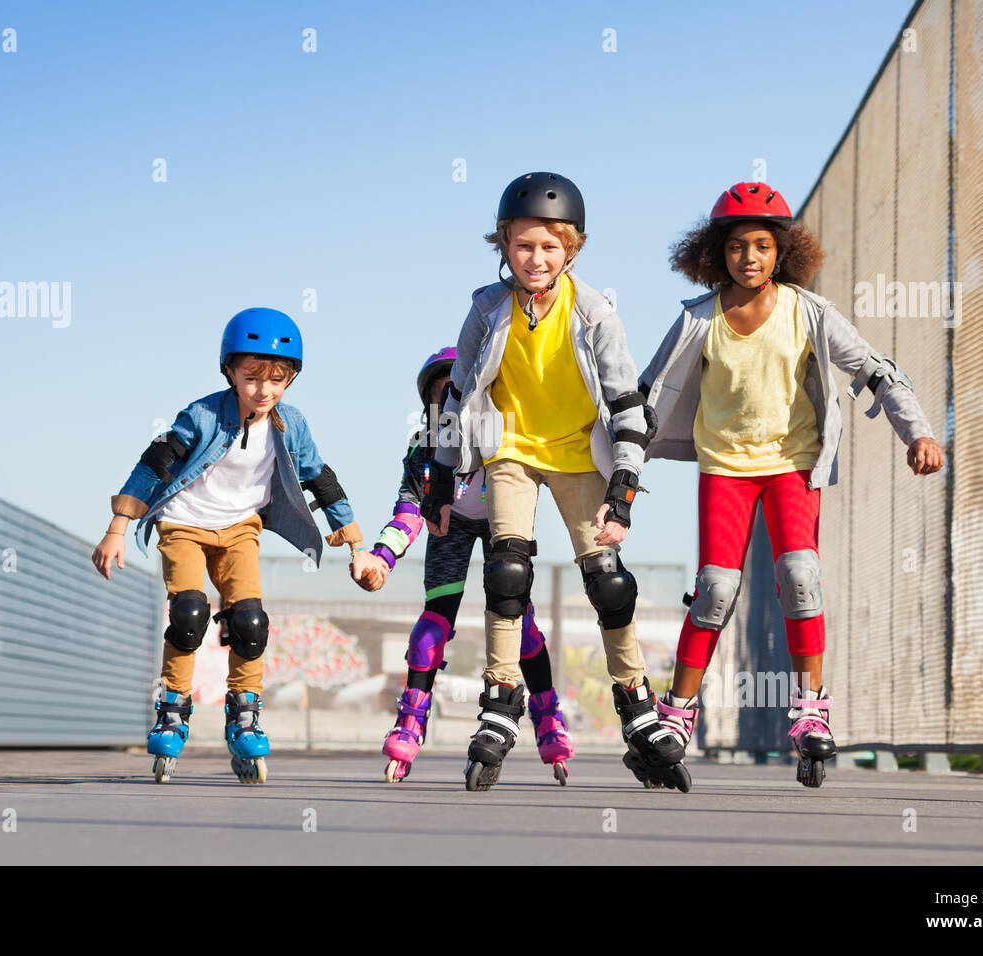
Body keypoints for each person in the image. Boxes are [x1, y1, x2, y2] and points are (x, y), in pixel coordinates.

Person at [639, 182, 944, 787]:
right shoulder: (698, 320)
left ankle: (810, 712)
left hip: (792, 466)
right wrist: (615, 473)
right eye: (734, 247)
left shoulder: (809, 312)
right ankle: (675, 715)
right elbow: (643, 398)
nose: (747, 258)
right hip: (725, 467)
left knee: (800, 578)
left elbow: (876, 372)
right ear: (713, 253)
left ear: (782, 252)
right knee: (715, 591)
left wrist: (919, 433)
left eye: (760, 246)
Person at [424, 172, 689, 791]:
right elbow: (459, 396)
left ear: (572, 248)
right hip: (510, 448)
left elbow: (627, 405)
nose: (536, 258)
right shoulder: (486, 310)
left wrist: (622, 489)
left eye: (550, 247)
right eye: (523, 246)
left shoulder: (595, 311)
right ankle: (502, 694)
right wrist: (439, 481)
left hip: (580, 455)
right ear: (503, 247)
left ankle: (636, 703)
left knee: (609, 581)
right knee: (507, 569)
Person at [92, 307, 361, 784]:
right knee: (190, 612)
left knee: (249, 620)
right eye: (252, 377)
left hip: (240, 529)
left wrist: (354, 539)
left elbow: (320, 477)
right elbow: (153, 464)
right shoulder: (199, 415)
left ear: (290, 381)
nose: (264, 390)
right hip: (184, 526)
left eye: (277, 379)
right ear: (230, 372)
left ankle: (244, 713)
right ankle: (173, 707)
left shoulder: (290, 424)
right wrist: (119, 526)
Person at [351, 347, 574, 784]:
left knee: (520, 628)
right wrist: (382, 556)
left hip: (499, 526)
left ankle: (548, 719)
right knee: (430, 630)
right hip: (447, 531)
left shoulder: (504, 438)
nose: (455, 405)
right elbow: (409, 509)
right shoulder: (423, 444)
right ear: (431, 406)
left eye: (465, 394)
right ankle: (410, 724)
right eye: (444, 397)